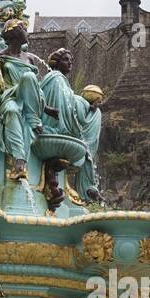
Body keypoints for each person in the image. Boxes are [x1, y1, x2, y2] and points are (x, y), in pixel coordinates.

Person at [0, 18, 44, 180]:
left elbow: (36, 84)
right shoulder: (1, 56)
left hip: (27, 97)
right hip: (7, 96)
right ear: (16, 34)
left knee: (29, 76)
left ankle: (33, 117)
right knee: (11, 110)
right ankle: (19, 161)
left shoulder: (29, 58)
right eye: (24, 29)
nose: (27, 33)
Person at [39, 48, 105, 201]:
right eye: (66, 60)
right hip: (54, 126)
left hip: (59, 126)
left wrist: (87, 106)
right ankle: (88, 189)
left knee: (96, 114)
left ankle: (89, 189)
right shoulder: (55, 78)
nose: (70, 63)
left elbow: (68, 101)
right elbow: (65, 105)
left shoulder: (62, 82)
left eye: (71, 61)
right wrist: (86, 105)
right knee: (94, 115)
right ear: (56, 62)